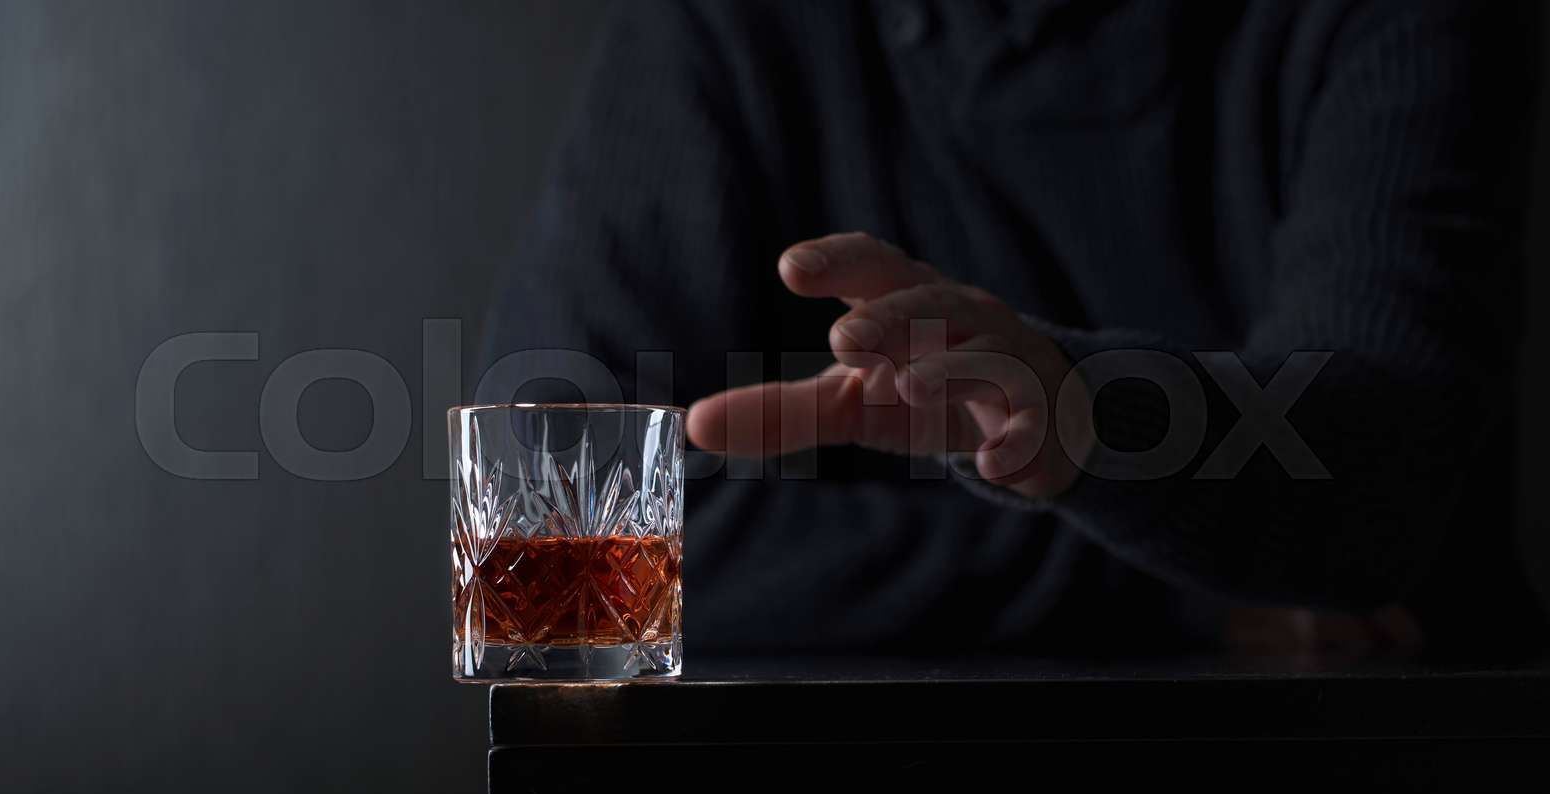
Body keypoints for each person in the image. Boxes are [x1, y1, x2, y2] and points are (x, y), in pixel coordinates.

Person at [477, 0, 1547, 658]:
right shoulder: (722, 29)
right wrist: (1153, 578)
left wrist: (1078, 419)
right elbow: (552, 554)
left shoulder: (1395, 20)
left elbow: (1388, 487)